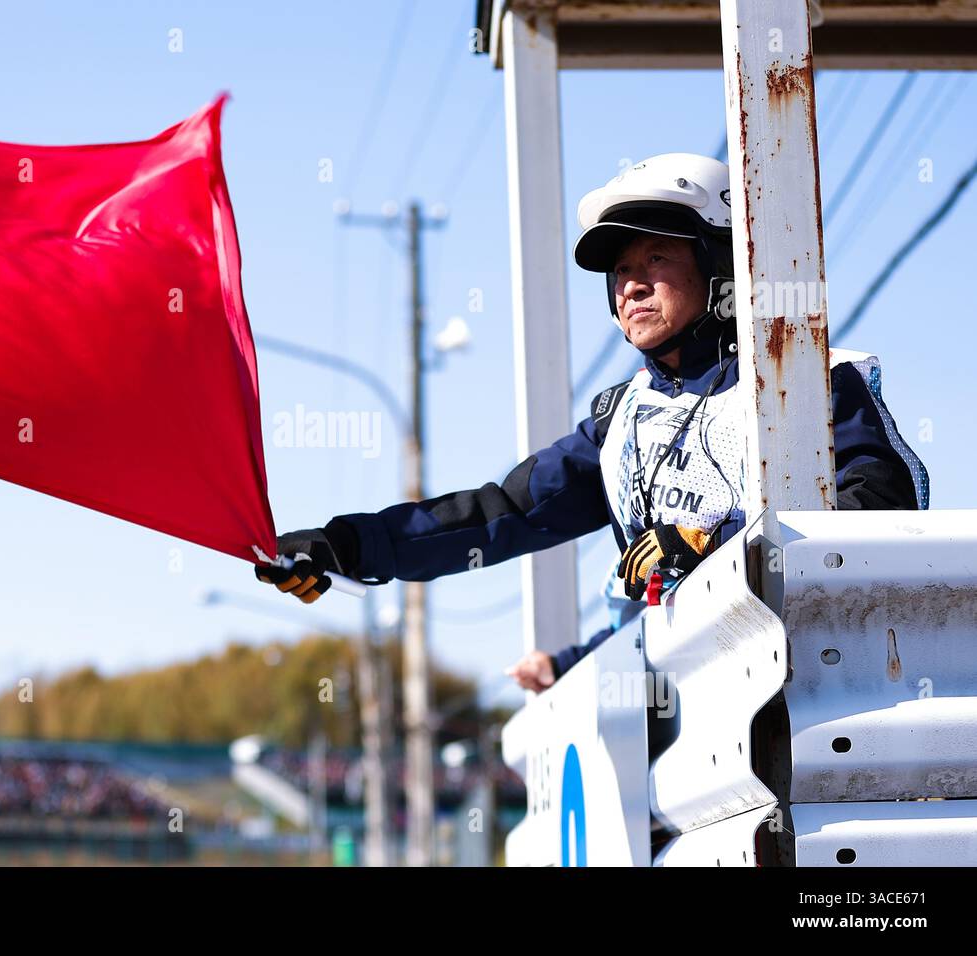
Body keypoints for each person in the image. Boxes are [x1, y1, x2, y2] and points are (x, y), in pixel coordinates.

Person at [256, 153, 925, 693]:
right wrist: (345, 546)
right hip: (698, 718)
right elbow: (496, 515)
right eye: (620, 270)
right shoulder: (621, 424)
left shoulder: (804, 380)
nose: (631, 284)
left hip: (823, 699)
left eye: (656, 260)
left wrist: (721, 544)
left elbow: (875, 515)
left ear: (722, 264)